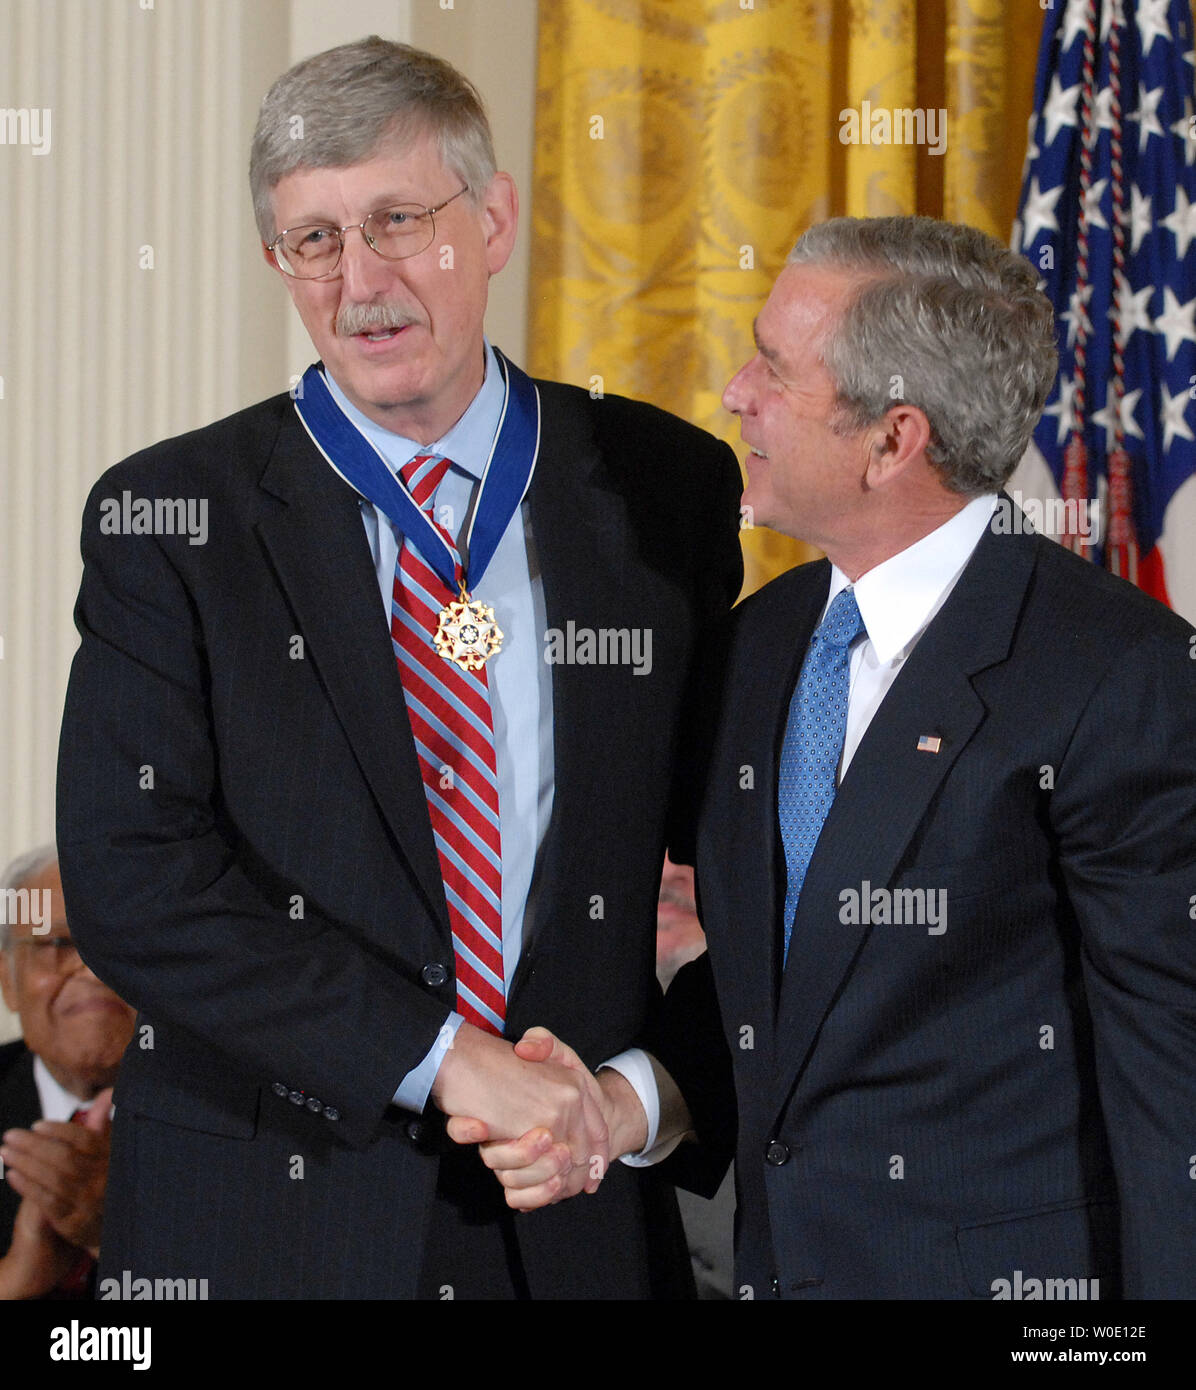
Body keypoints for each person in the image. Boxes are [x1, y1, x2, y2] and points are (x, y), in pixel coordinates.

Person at [55, 37, 741, 1299]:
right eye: (311, 240)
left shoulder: (664, 488)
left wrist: (637, 1095)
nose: (356, 279)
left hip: (571, 1209)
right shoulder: (171, 516)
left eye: (395, 220)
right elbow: (134, 879)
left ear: (491, 220)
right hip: (265, 1220)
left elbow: (757, 863)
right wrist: (439, 1055)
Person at [478, 216, 1196, 1300]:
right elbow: (789, 995)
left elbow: (1172, 1084)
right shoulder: (750, 648)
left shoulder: (1120, 675)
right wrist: (623, 1102)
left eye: (773, 366)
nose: (732, 392)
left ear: (891, 438)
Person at [0, 847, 134, 1299]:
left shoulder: (250, 1116)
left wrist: (113, 1234)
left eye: (117, 943)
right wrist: (14, 1280)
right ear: (7, 981)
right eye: (59, 944)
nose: (92, 969)